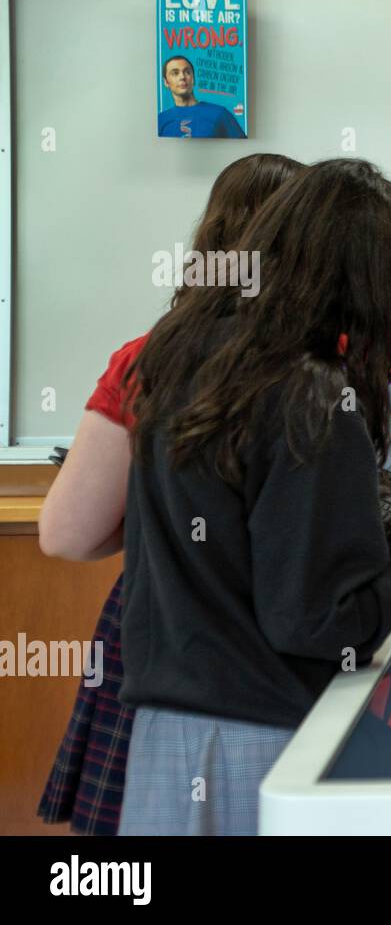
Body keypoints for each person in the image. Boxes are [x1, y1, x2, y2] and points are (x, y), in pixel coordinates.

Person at [115, 158, 391, 835]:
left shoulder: (180, 352)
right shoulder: (315, 394)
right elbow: (315, 619)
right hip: (260, 738)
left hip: (163, 732)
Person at [38, 153, 304, 835]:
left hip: (171, 637)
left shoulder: (149, 357)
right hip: (287, 661)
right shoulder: (326, 365)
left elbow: (66, 533)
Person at [157, 55, 246, 139]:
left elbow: (243, 147)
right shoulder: (160, 119)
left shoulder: (220, 113)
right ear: (166, 82)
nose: (182, 77)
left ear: (193, 78)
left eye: (187, 72)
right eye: (175, 73)